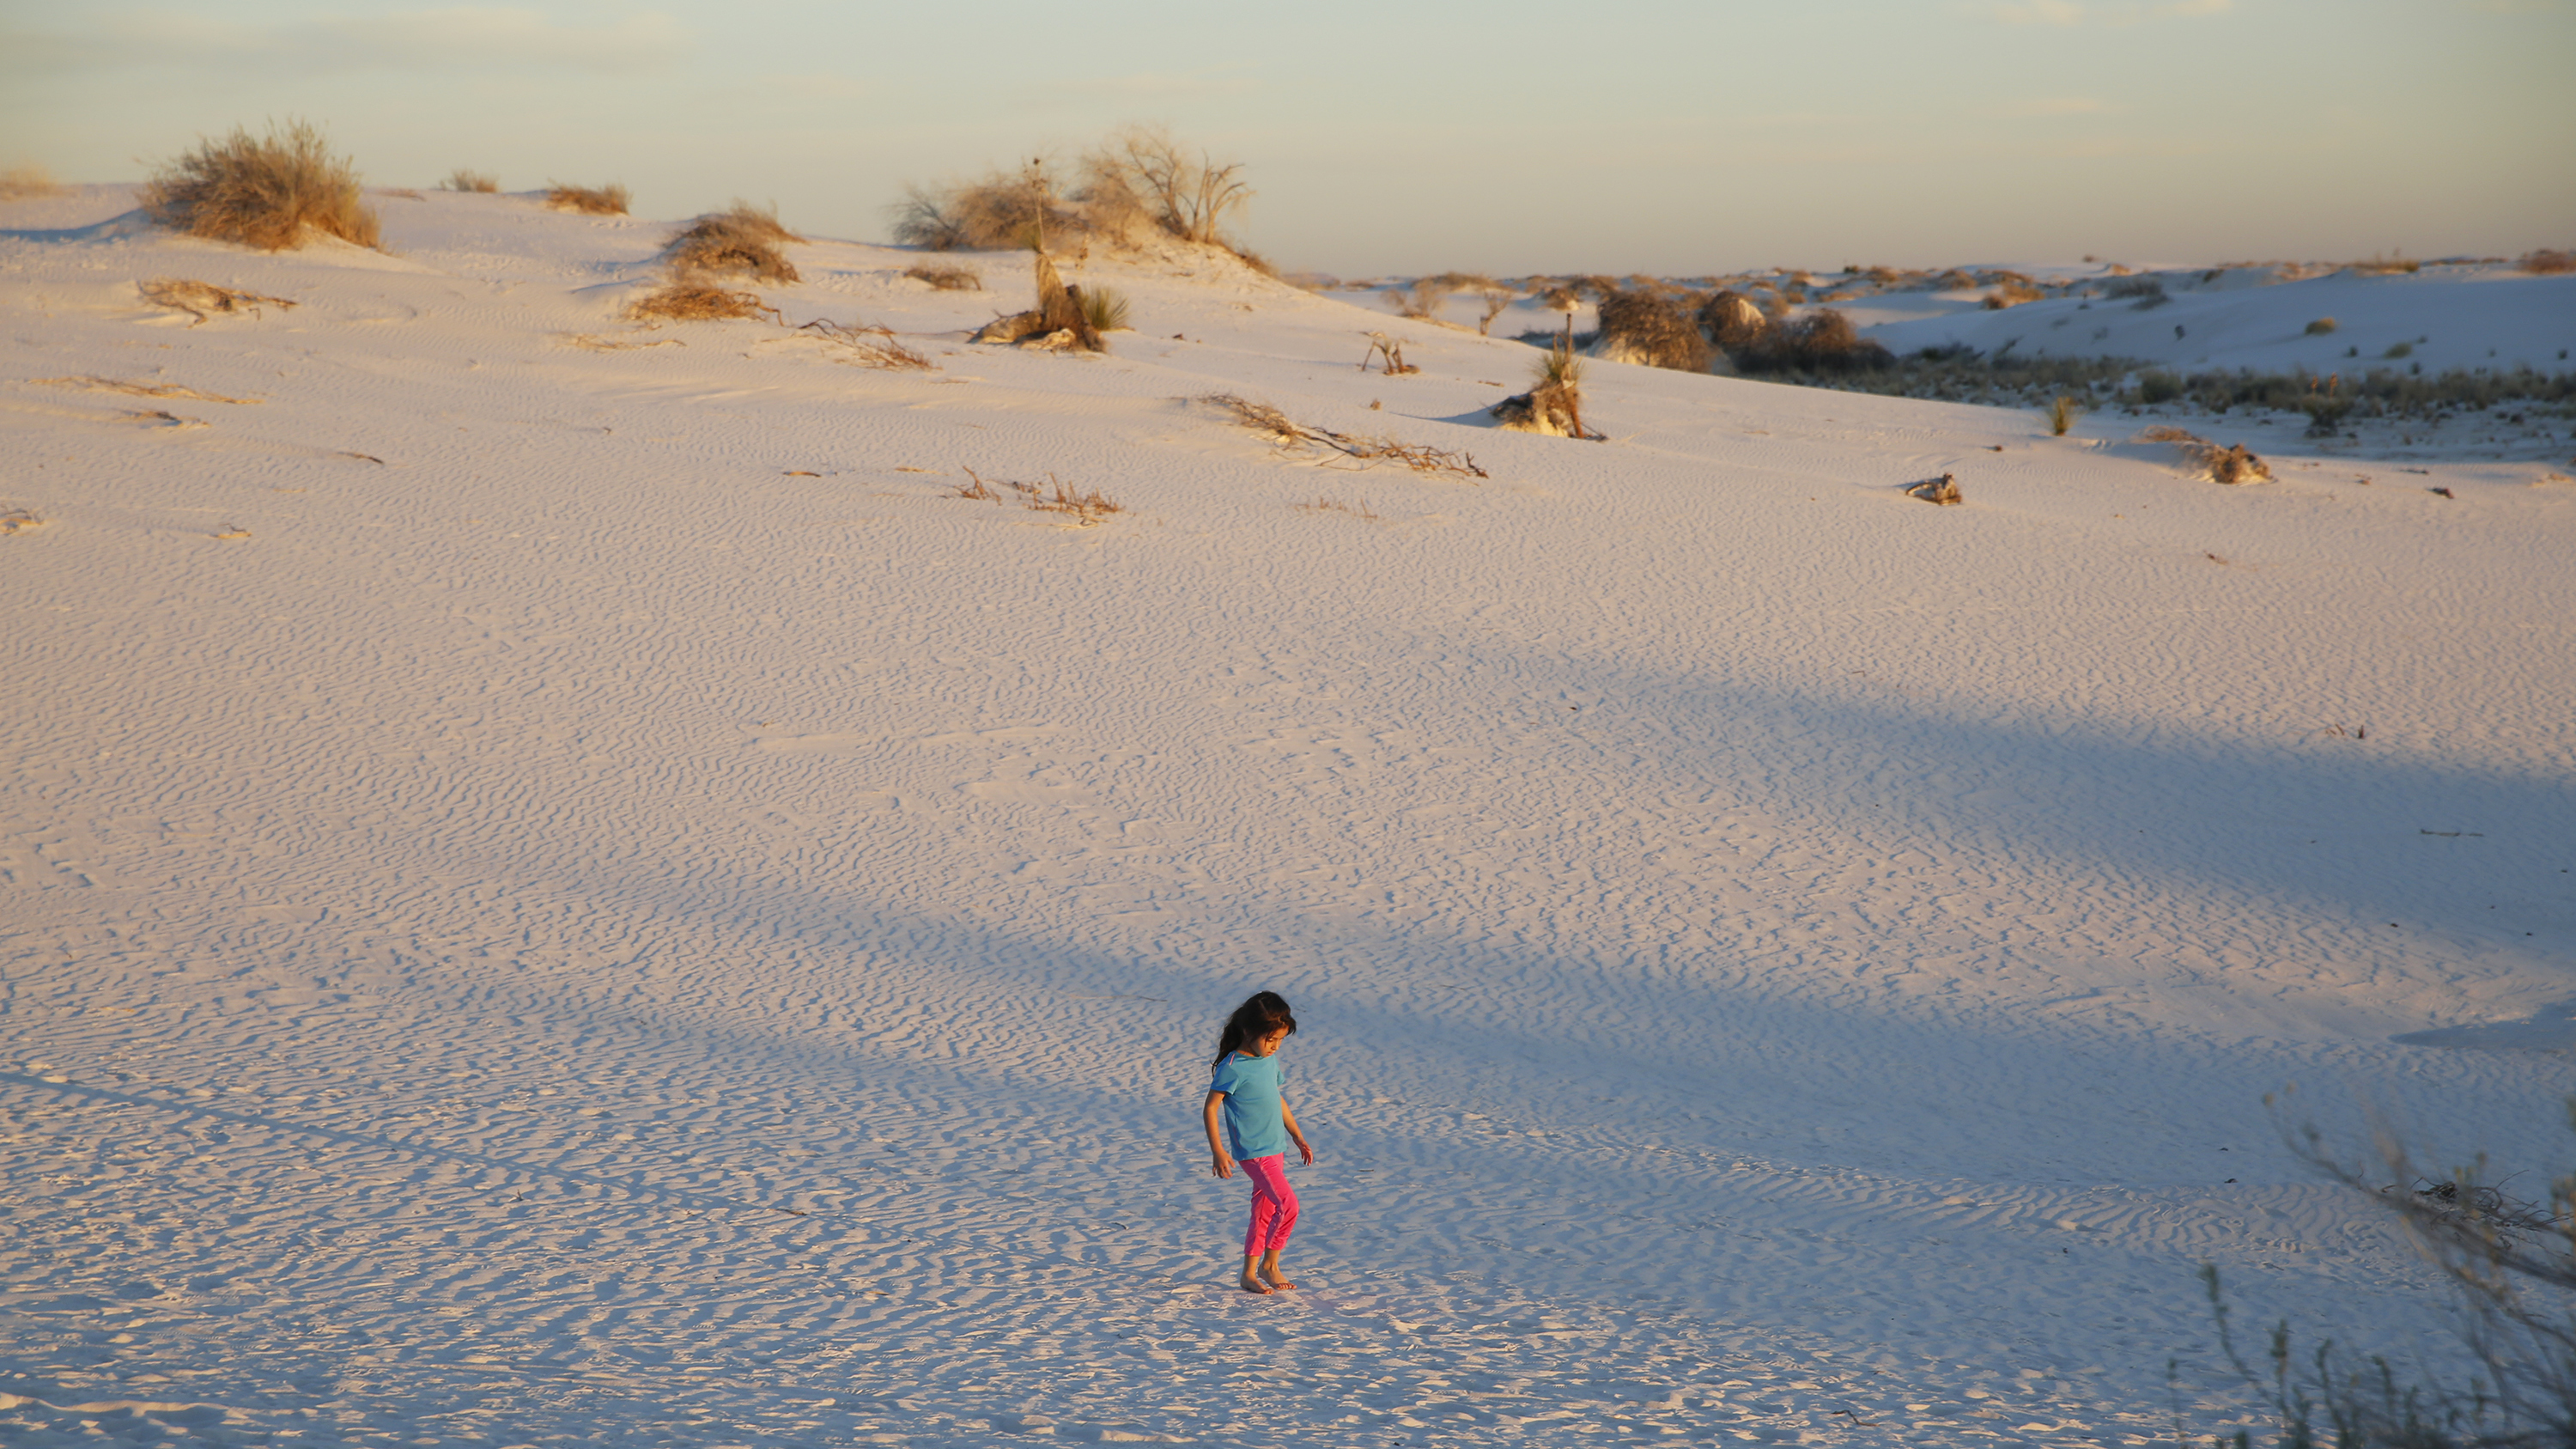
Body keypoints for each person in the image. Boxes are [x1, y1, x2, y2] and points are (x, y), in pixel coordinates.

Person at [1202, 991, 1315, 1294]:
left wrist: (1297, 1135)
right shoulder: (1233, 1067)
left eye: (1280, 1041)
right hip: (1254, 1152)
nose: (1275, 1046)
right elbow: (1210, 1107)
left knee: (1264, 1212)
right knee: (1289, 1205)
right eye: (1270, 1040)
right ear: (1249, 1032)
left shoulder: (1268, 1061)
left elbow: (1277, 1099)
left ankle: (1249, 1273)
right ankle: (1270, 1264)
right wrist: (1218, 1150)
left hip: (1275, 1147)